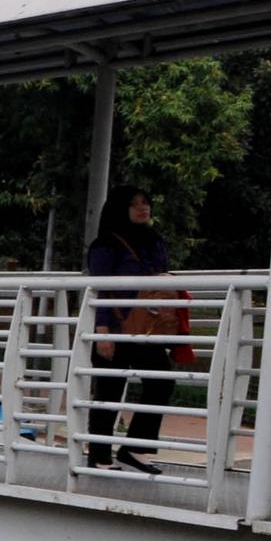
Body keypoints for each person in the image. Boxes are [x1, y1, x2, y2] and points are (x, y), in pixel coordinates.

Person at [84, 187, 182, 474]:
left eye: (145, 202)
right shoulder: (106, 244)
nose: (143, 208)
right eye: (134, 204)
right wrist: (103, 331)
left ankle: (135, 448)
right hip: (115, 326)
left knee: (161, 381)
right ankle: (99, 456)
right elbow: (100, 288)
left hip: (147, 325)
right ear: (120, 209)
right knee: (109, 391)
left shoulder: (154, 240)